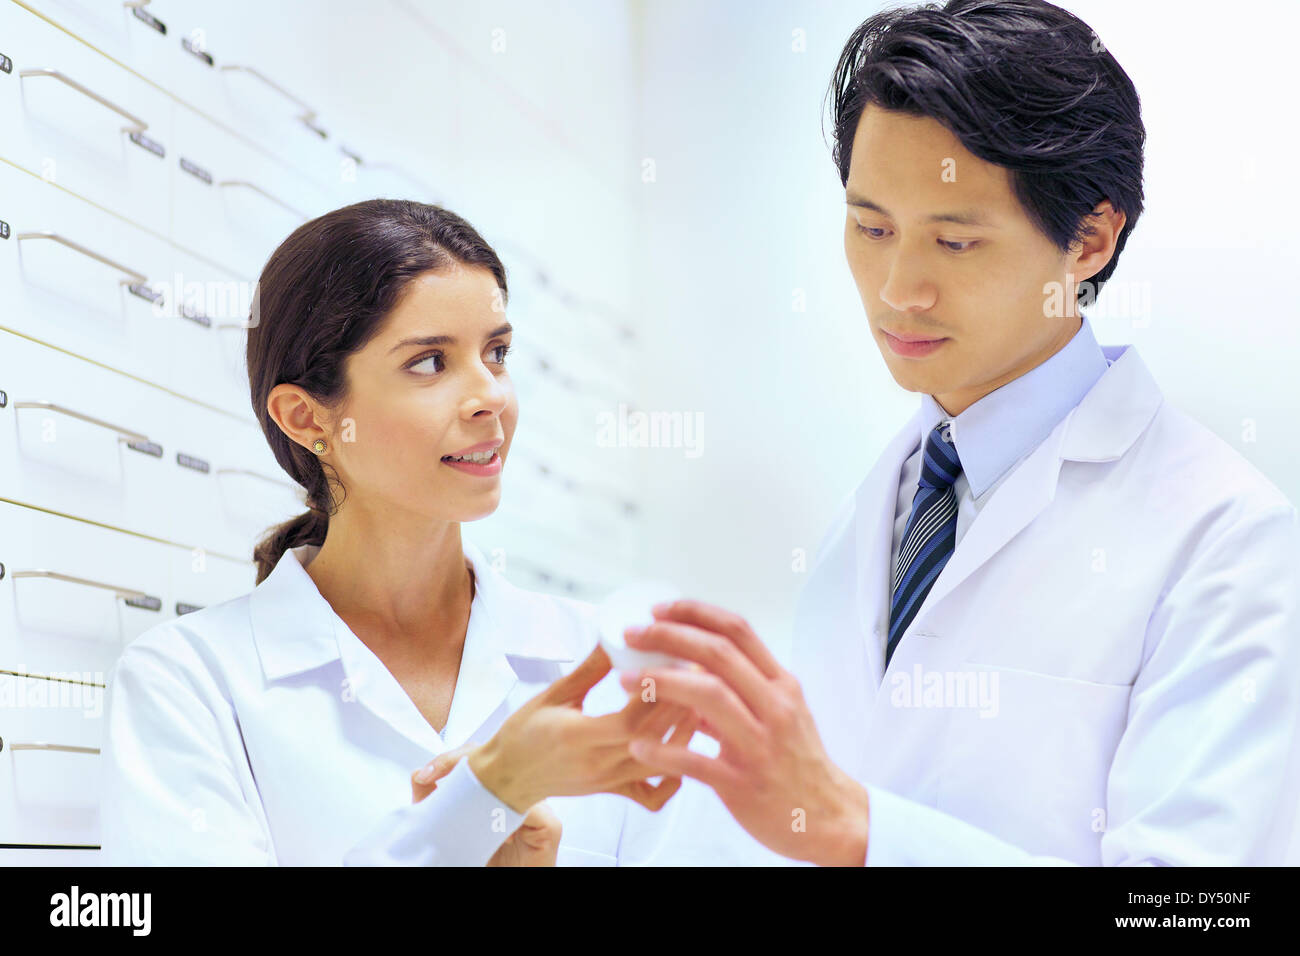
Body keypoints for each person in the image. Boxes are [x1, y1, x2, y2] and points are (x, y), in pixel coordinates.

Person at [619, 0, 1300, 865]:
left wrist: (862, 831)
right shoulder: (882, 510)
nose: (899, 288)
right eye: (871, 228)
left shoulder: (1225, 536)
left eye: (955, 241)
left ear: (1088, 240)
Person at [100, 199, 697, 866]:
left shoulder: (604, 666)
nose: (490, 396)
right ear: (306, 416)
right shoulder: (190, 684)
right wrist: (473, 808)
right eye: (429, 363)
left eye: (496, 352)